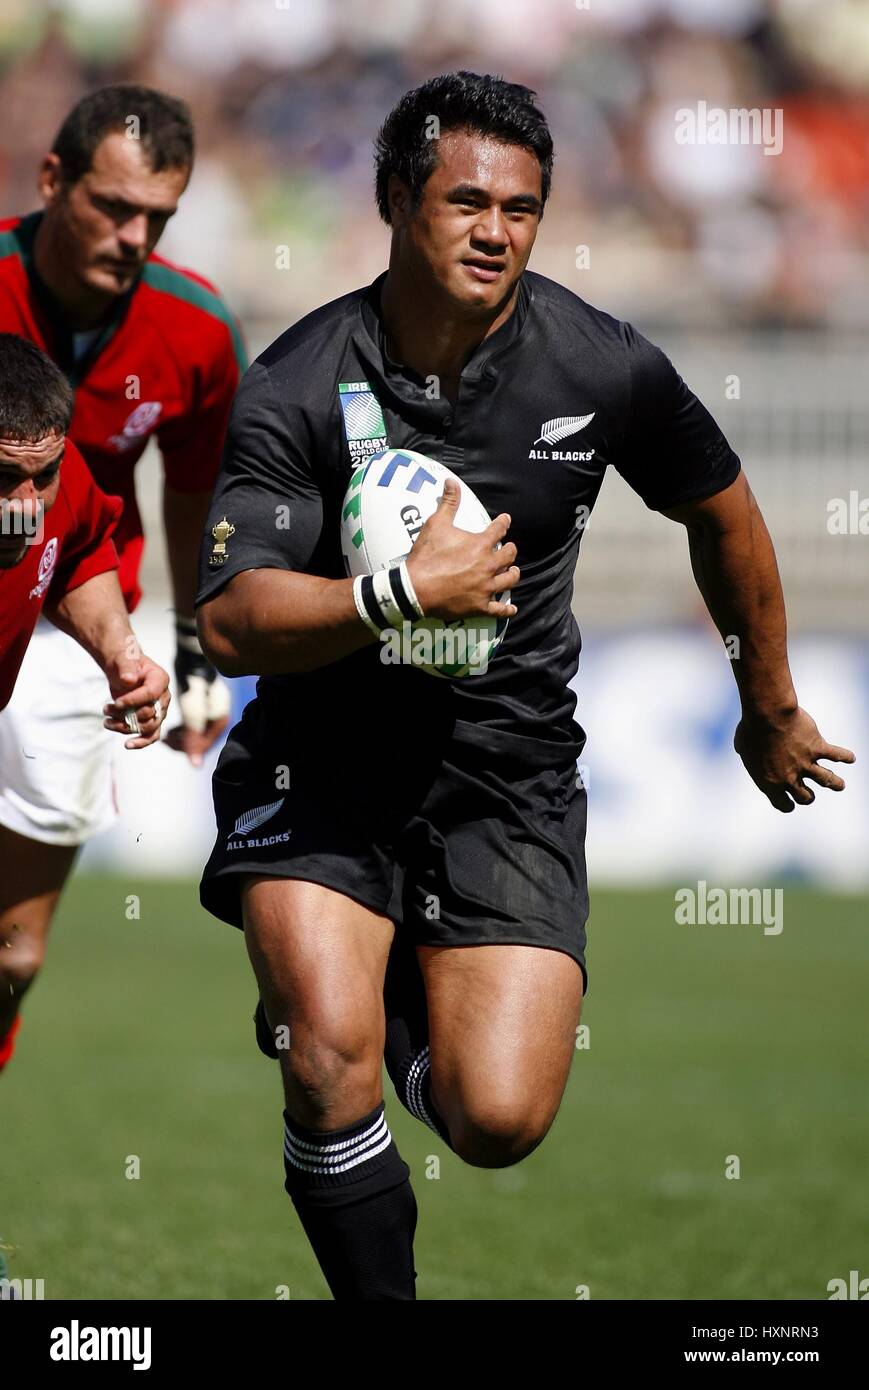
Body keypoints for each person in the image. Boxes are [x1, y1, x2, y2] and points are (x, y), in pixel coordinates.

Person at [194, 71, 855, 1300]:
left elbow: (726, 516)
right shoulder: (296, 377)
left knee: (498, 1119)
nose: (495, 230)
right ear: (398, 200)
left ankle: (360, 988)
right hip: (321, 764)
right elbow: (232, 620)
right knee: (324, 1056)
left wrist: (766, 708)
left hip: (505, 772)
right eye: (465, 202)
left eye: (521, 207)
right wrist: (394, 596)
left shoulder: (597, 365)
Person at [0, 84, 247, 1062]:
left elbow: (193, 501)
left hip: (81, 627)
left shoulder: (197, 334)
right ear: (52, 179)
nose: (135, 234)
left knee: (14, 955)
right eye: (112, 207)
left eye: (159, 216)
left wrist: (188, 654)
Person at [0, 333, 169, 1073]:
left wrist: (120, 655)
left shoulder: (55, 491)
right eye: (2, 478)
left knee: (15, 958)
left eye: (42, 476)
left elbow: (82, 546)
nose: (24, 508)